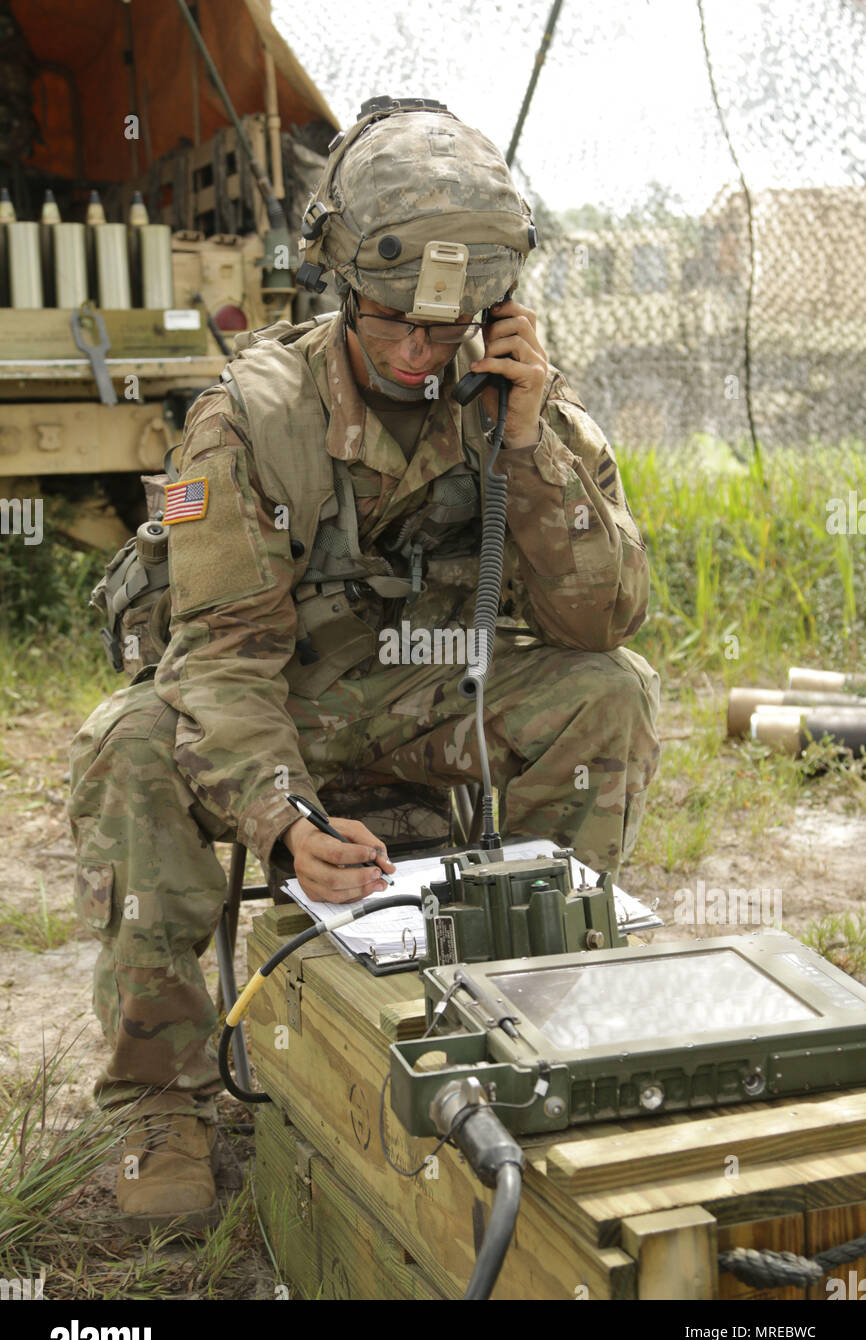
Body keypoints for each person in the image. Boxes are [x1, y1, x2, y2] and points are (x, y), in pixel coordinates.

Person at [67, 97, 660, 1234]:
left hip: (433, 697)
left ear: (495, 312)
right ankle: (161, 1095)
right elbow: (223, 658)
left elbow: (600, 624)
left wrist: (529, 450)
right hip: (281, 703)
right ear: (342, 285)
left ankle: (545, 1021)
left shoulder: (523, 407)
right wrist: (284, 816)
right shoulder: (247, 418)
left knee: (609, 698)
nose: (409, 351)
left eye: (443, 328)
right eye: (389, 318)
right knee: (132, 737)